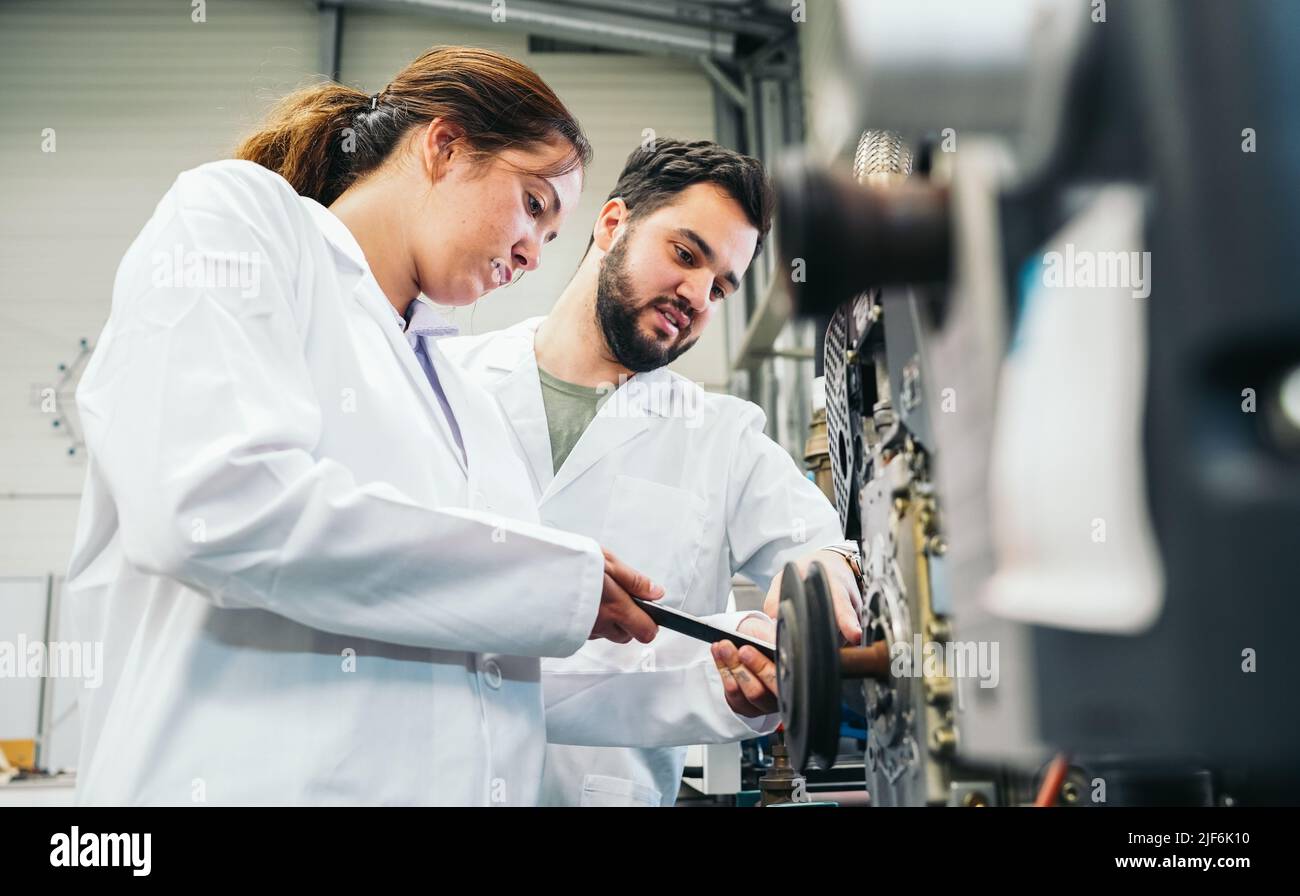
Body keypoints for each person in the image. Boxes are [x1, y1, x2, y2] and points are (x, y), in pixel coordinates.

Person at [65, 46, 662, 807]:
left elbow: (496, 646)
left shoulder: (459, 393)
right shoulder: (242, 221)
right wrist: (552, 582)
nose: (531, 254)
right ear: (444, 147)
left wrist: (722, 667)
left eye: (550, 240)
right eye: (534, 206)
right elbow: (214, 505)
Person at [442, 139, 863, 807]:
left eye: (721, 286)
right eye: (686, 254)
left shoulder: (721, 435)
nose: (697, 295)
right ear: (612, 224)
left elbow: (822, 548)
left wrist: (825, 574)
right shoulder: (450, 380)